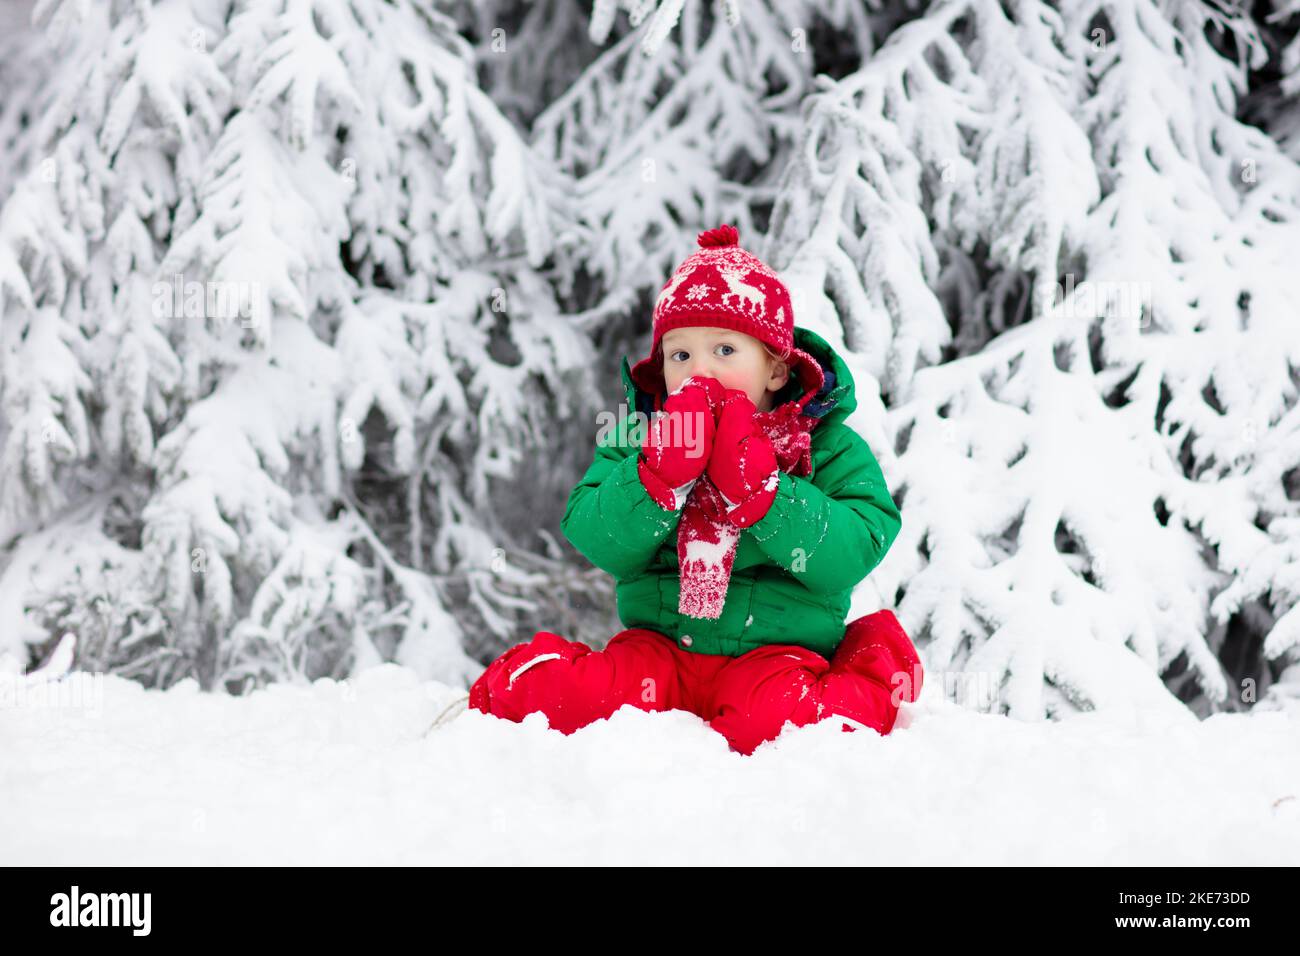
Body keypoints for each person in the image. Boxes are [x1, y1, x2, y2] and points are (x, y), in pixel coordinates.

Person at [467, 223, 923, 754]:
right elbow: (595, 535)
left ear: (775, 370)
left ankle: (874, 673)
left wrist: (765, 494)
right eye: (680, 355)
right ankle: (532, 676)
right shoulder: (640, 437)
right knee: (574, 701)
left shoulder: (824, 446)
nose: (698, 370)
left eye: (724, 350)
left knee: (776, 725)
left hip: (776, 654)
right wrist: (653, 479)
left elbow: (855, 548)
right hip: (659, 652)